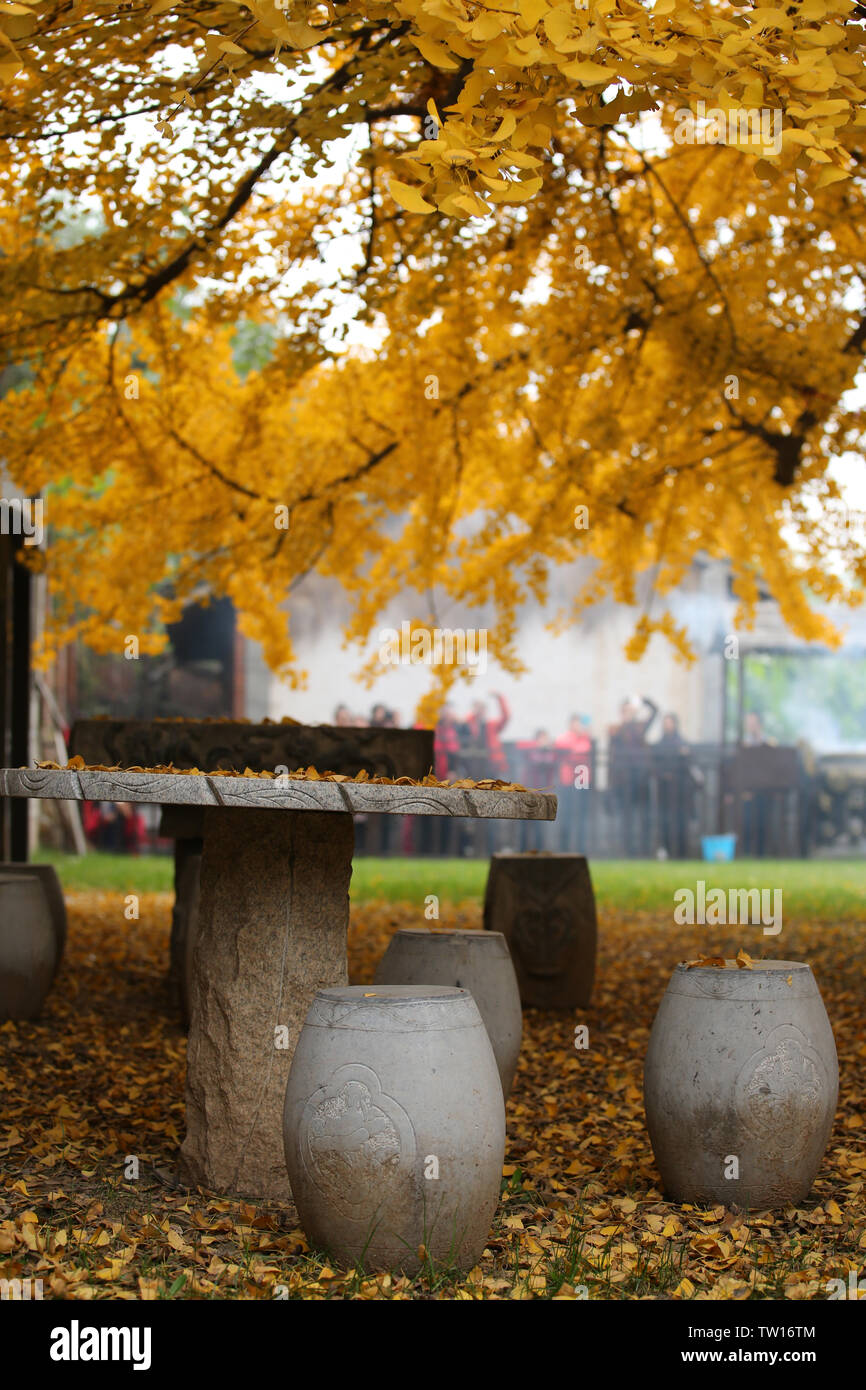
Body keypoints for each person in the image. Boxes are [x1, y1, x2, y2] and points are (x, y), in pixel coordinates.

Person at [608, 695, 658, 856]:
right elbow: (613, 754)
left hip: (642, 778)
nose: (628, 713)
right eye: (625, 711)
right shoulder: (617, 730)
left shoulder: (639, 727)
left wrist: (643, 699)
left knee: (644, 815)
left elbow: (655, 711)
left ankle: (644, 849)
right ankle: (627, 849)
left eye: (630, 711)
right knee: (627, 818)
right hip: (625, 780)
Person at [554, 714, 594, 852]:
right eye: (576, 723)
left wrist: (573, 752)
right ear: (571, 724)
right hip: (567, 781)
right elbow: (563, 748)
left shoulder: (584, 738)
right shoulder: (564, 738)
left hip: (581, 781)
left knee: (581, 815)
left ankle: (580, 847)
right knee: (567, 814)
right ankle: (564, 847)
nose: (579, 727)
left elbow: (584, 750)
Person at [655, 713, 691, 859]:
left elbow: (687, 763)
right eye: (665, 723)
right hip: (664, 787)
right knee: (665, 819)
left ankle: (682, 851)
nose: (667, 725)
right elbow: (655, 764)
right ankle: (666, 849)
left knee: (681, 819)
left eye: (670, 722)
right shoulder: (659, 744)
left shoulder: (682, 743)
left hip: (680, 789)